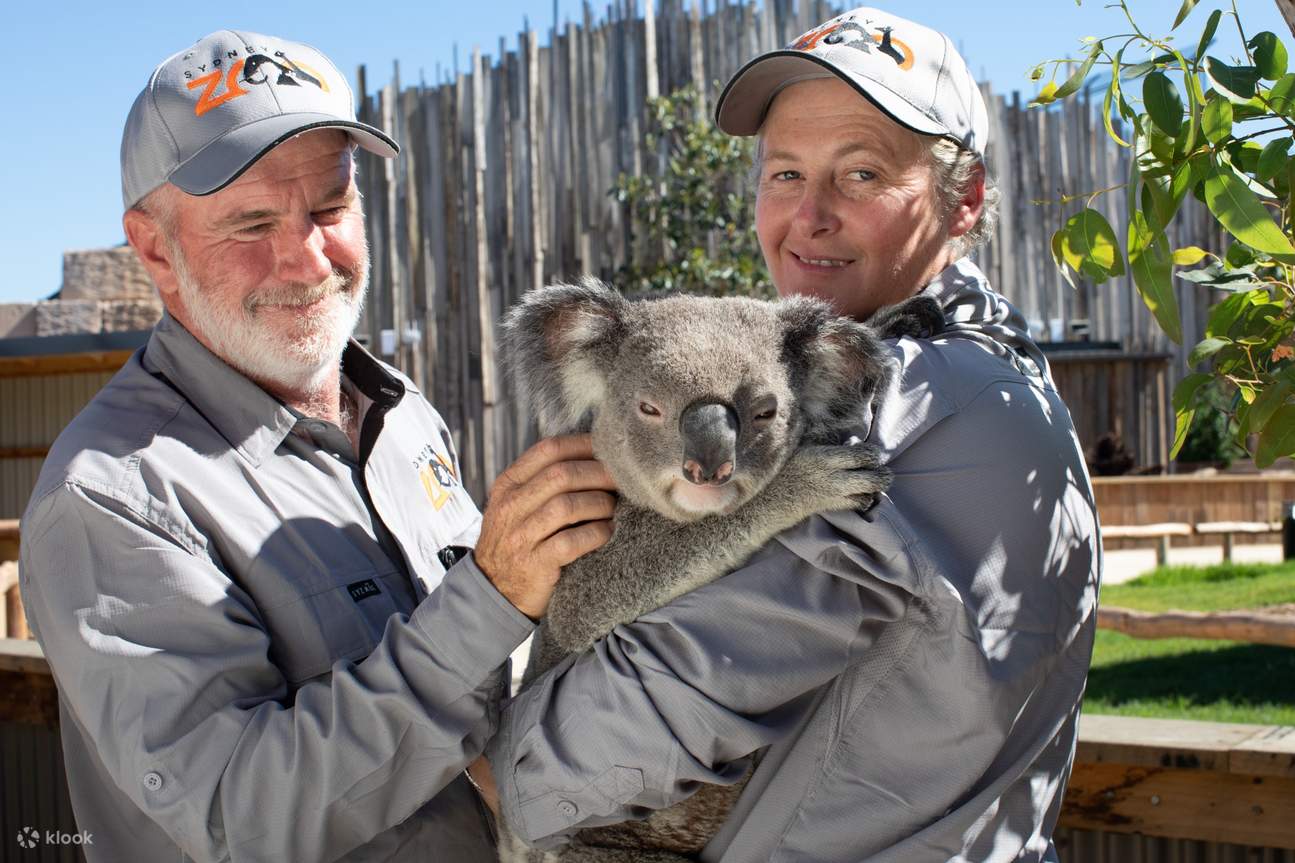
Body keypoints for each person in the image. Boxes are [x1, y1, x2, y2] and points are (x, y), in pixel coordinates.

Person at [481, 7, 1101, 861]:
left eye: (860, 173)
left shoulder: (920, 399)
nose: (809, 215)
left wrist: (490, 771)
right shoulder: (984, 364)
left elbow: (643, 714)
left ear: (962, 199)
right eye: (784, 173)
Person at [18, 30, 618, 862]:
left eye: (330, 208)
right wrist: (490, 600)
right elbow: (238, 815)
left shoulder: (400, 415)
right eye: (252, 223)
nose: (306, 259)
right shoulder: (114, 496)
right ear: (154, 247)